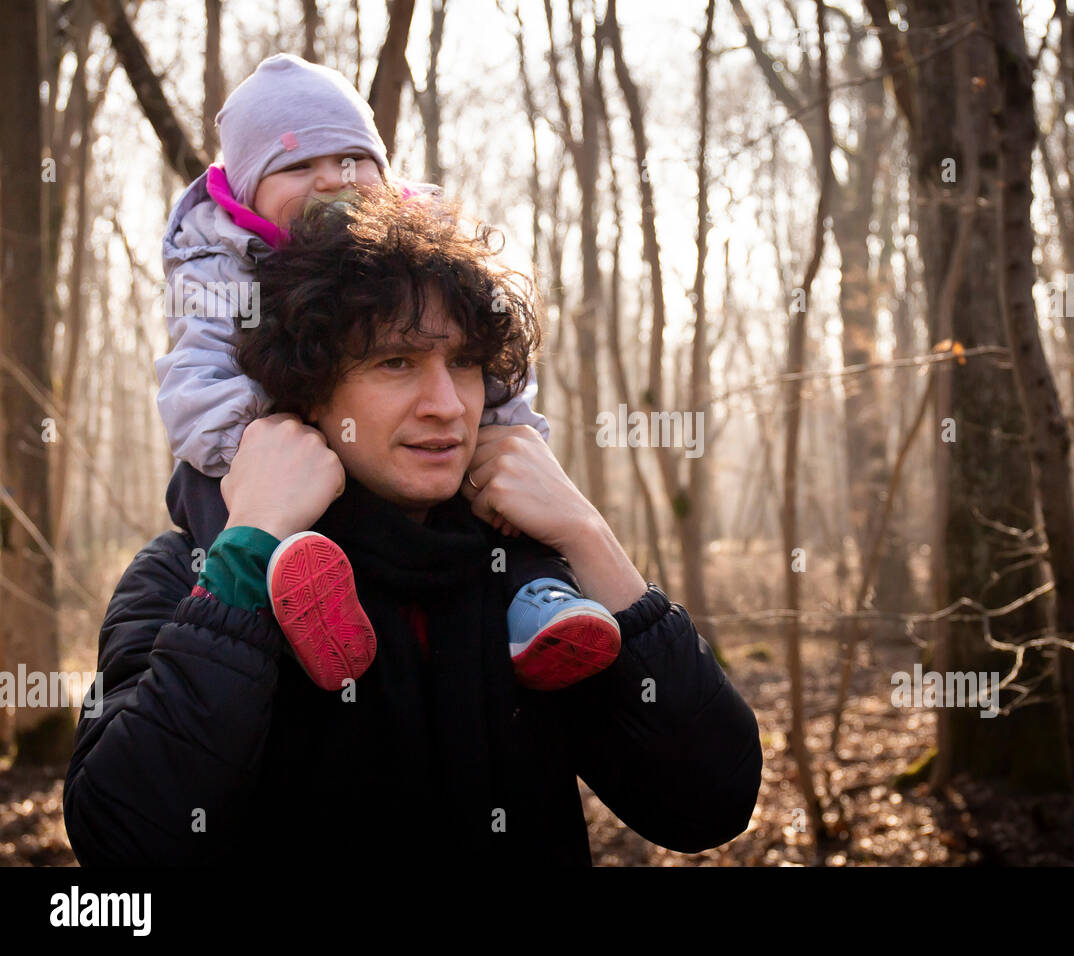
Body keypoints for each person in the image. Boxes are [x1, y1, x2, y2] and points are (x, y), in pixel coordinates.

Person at [63, 186, 762, 866]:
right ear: (308, 390)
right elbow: (126, 839)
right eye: (396, 362)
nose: (446, 405)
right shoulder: (191, 575)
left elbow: (709, 801)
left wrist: (588, 534)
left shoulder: (534, 585)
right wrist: (248, 554)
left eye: (463, 363)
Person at [157, 52, 616, 693]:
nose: (329, 180)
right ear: (244, 192)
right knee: (199, 485)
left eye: (350, 161)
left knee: (502, 493)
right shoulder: (218, 261)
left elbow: (498, 348)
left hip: (395, 467)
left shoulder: (424, 252)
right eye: (295, 165)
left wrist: (514, 437)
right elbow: (195, 378)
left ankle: (542, 598)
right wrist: (253, 455)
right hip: (261, 452)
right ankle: (281, 584)